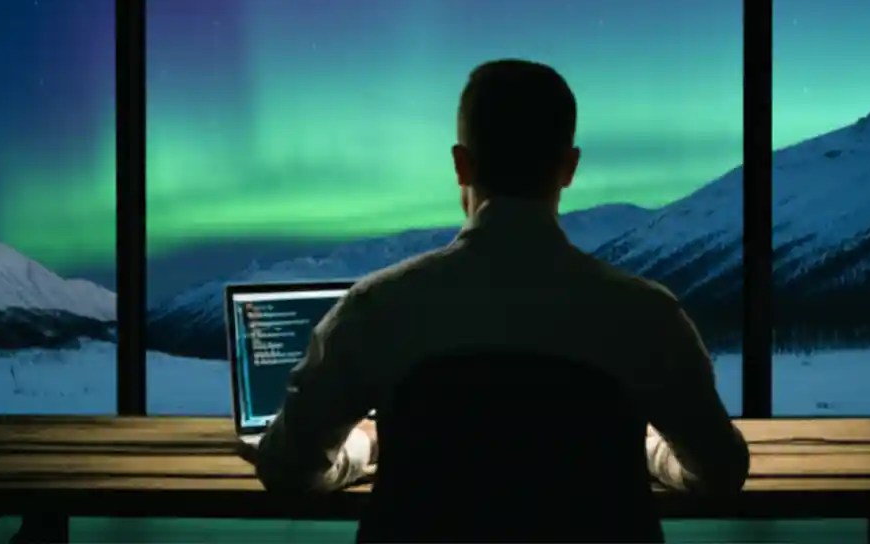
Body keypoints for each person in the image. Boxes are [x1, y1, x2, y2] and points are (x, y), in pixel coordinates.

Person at [242, 58, 750, 496]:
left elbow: (288, 467)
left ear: (461, 165)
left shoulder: (377, 308)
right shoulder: (646, 316)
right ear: (569, 168)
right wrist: (644, 453)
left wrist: (366, 447)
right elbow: (720, 471)